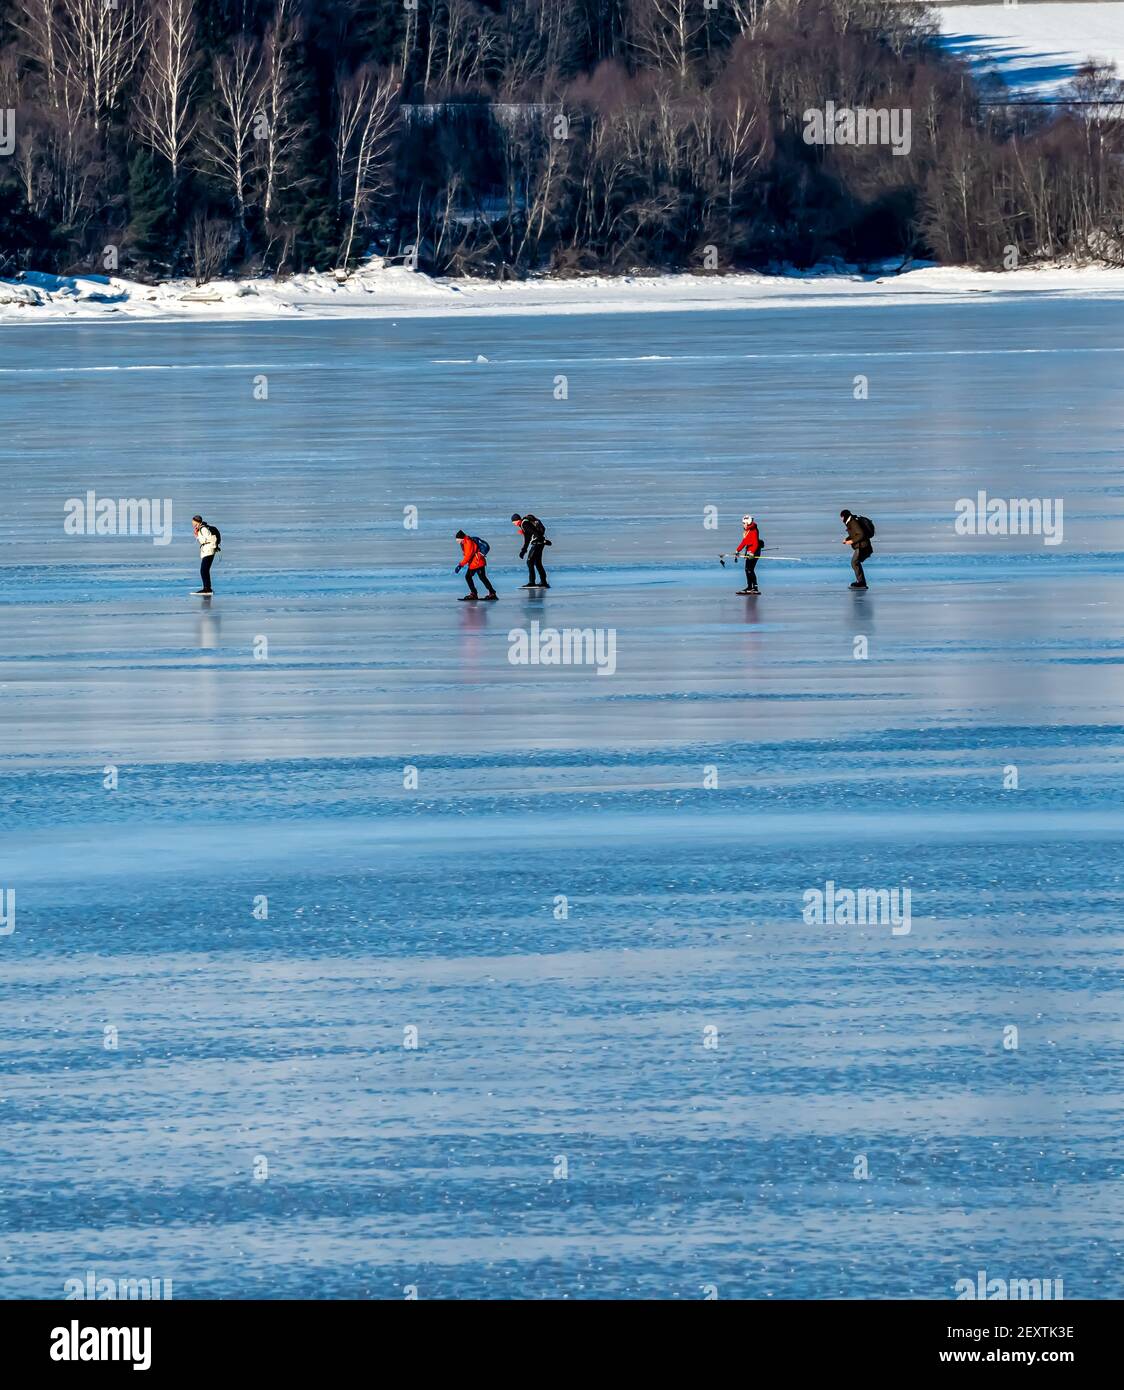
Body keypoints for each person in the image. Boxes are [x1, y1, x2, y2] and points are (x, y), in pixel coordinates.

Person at [455, 530, 498, 601]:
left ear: (462, 538)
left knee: (475, 577)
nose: (457, 542)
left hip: (478, 562)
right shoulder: (465, 542)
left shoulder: (468, 542)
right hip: (474, 563)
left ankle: (489, 593)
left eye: (458, 540)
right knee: (476, 577)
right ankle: (479, 593)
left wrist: (460, 565)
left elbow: (468, 556)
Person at [511, 513, 550, 588]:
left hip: (537, 543)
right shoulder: (524, 524)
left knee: (530, 562)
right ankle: (543, 582)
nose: (514, 524)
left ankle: (532, 582)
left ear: (515, 521)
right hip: (539, 543)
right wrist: (523, 550)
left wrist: (542, 540)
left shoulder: (524, 524)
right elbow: (527, 538)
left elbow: (534, 533)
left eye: (513, 522)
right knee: (537, 563)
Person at [840, 509, 874, 588]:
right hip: (861, 545)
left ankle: (861, 582)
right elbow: (855, 533)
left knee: (854, 562)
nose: (841, 519)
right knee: (855, 562)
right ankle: (861, 582)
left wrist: (851, 541)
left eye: (841, 517)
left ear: (844, 516)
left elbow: (861, 534)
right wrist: (847, 539)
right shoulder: (850, 522)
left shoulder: (853, 522)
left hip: (862, 546)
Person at [191, 514, 220, 594]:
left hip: (209, 551)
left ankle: (207, 589)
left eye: (193, 522)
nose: (192, 524)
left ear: (197, 522)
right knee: (204, 570)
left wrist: (214, 547)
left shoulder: (203, 529)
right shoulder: (200, 529)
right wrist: (197, 535)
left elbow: (211, 538)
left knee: (204, 570)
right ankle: (207, 588)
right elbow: (204, 539)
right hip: (207, 551)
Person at [735, 514, 762, 594]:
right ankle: (750, 587)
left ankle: (755, 587)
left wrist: (752, 552)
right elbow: (745, 542)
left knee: (750, 569)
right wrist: (738, 550)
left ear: (747, 523)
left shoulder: (753, 530)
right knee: (747, 569)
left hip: (753, 553)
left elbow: (755, 543)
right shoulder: (748, 530)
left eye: (744, 523)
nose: (743, 524)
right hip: (750, 552)